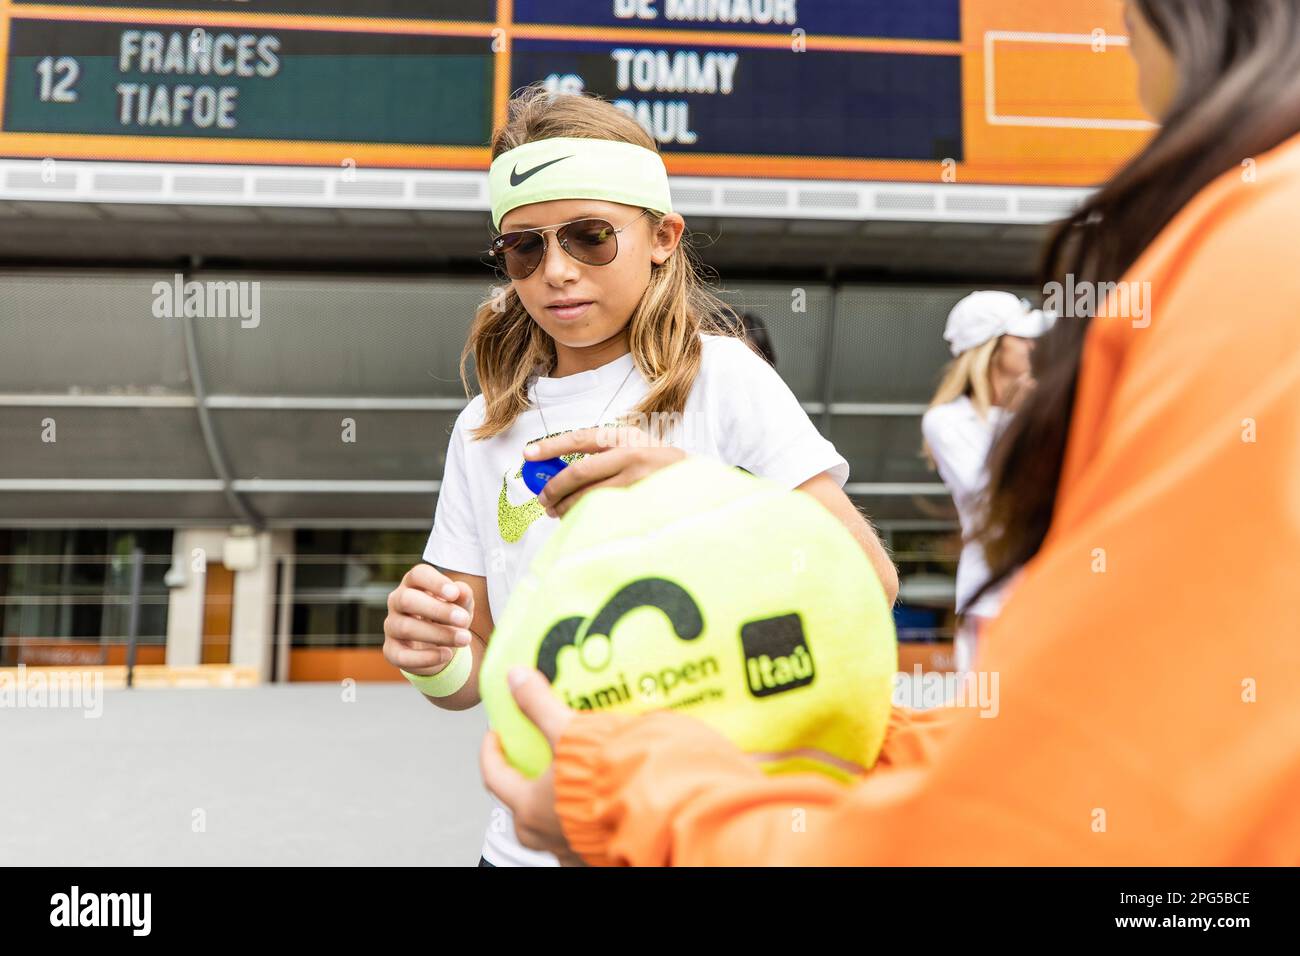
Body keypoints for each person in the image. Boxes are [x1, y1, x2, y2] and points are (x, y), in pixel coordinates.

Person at [480, 0, 1300, 865]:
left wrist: (626, 793)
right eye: (522, 251)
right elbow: (1109, 744)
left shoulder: (1257, 265)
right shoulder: (1254, 243)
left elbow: (1027, 834)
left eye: (589, 235)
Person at [382, 85, 898, 867]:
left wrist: (694, 486)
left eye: (590, 237)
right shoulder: (483, 427)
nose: (555, 271)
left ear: (662, 236)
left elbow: (870, 580)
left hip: (702, 835)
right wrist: (433, 656)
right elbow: (485, 672)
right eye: (524, 247)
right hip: (531, 848)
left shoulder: (725, 379)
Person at [921, 292, 1054, 672]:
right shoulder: (946, 421)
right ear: (992, 348)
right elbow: (994, 493)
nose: (1032, 345)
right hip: (991, 599)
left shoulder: (1040, 411)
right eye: (1021, 336)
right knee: (988, 711)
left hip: (1047, 589)